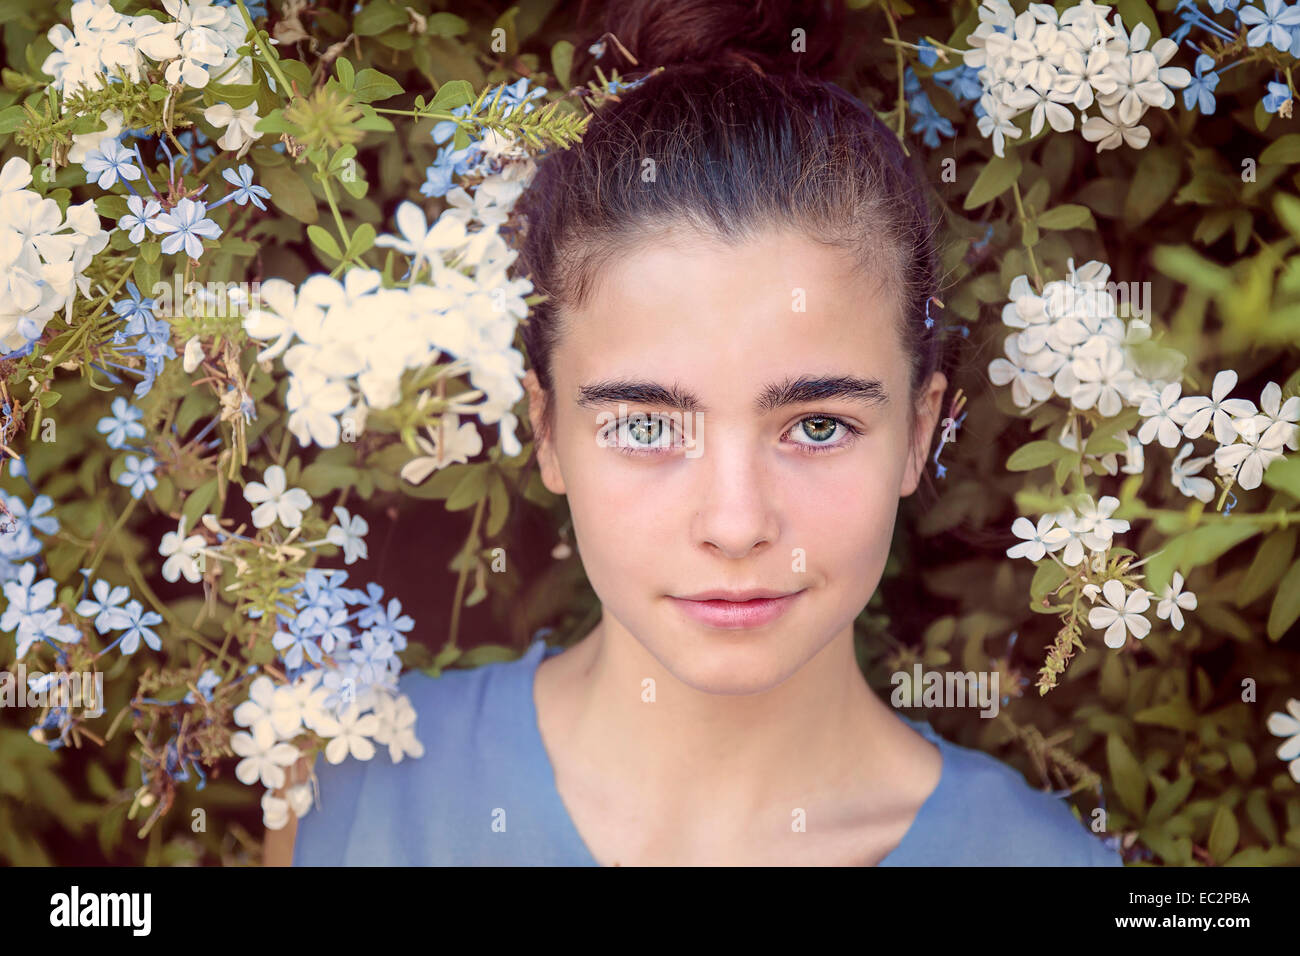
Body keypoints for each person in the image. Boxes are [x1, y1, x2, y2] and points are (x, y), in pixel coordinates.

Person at [290, 0, 1124, 867]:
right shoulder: (350, 785)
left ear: (918, 433)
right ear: (546, 428)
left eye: (818, 425)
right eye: (648, 423)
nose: (735, 524)